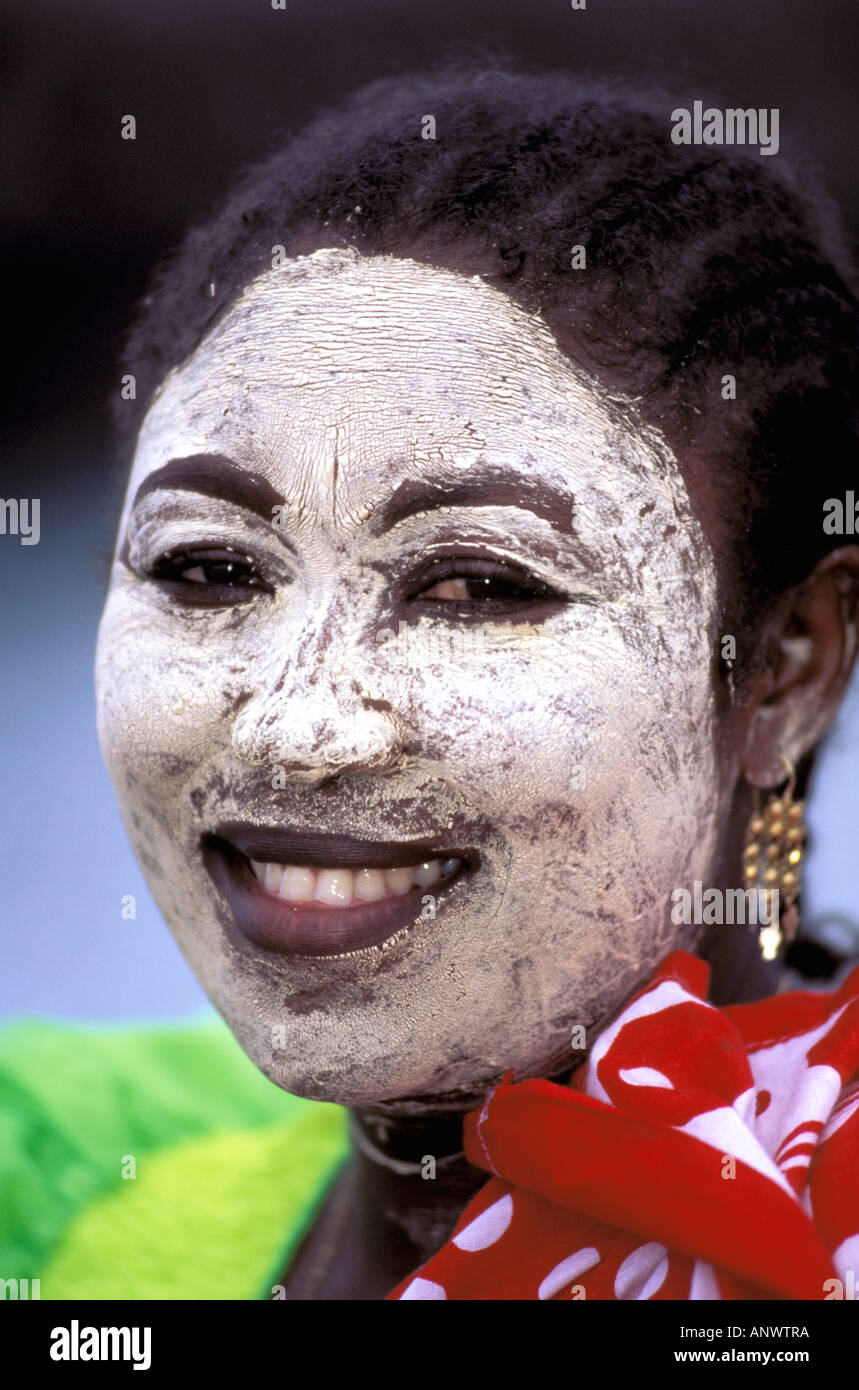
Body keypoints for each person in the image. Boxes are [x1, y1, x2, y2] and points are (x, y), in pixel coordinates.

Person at [3, 65, 859, 1301]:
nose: (300, 724)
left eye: (478, 586)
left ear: (786, 666)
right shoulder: (59, 1185)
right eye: (208, 567)